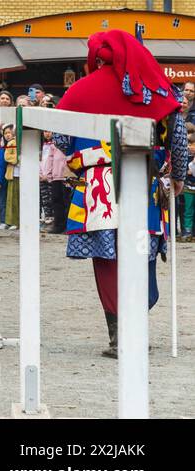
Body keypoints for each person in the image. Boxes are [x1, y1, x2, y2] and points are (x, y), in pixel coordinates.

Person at [55, 30, 186, 357]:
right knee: (141, 255)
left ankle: (119, 337)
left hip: (97, 190)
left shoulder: (79, 90)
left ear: (97, 57)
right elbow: (178, 138)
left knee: (107, 261)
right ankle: (135, 330)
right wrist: (179, 177)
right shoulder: (156, 88)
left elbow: (59, 138)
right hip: (143, 185)